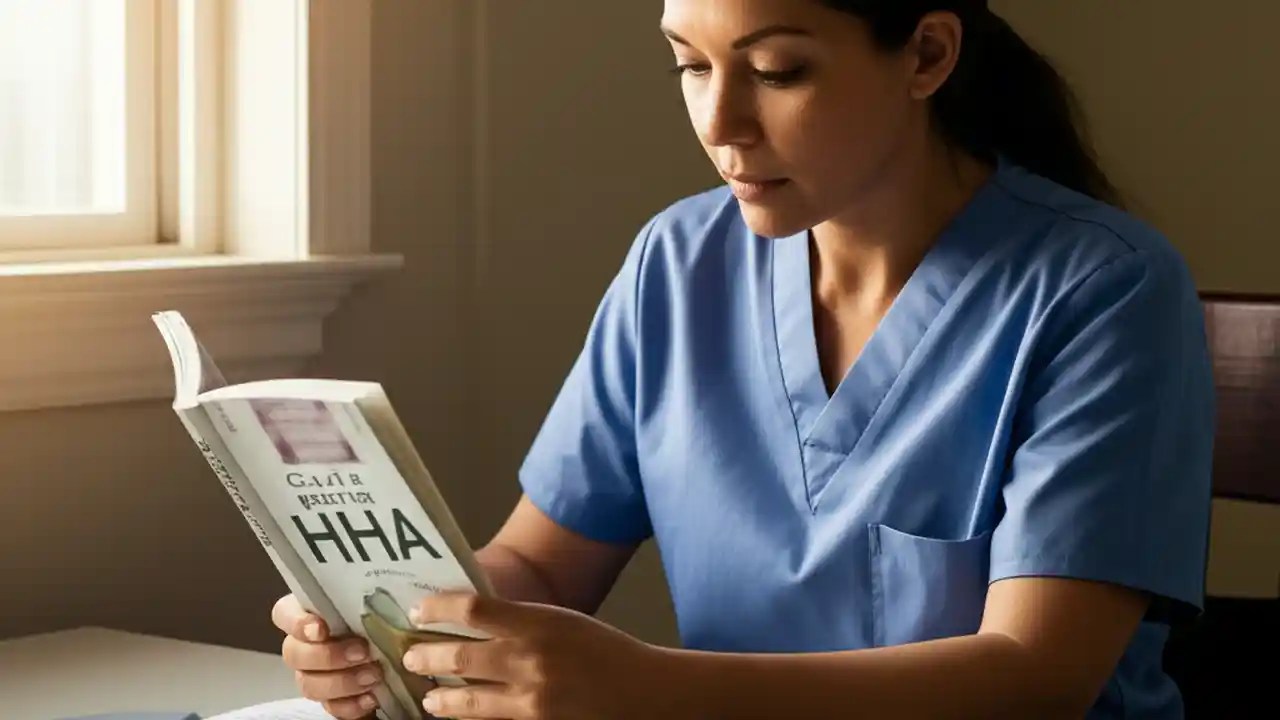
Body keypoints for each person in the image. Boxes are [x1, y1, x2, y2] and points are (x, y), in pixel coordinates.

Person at [272, 0, 1215, 717]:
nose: (721, 122)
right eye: (689, 65)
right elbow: (542, 566)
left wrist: (644, 692)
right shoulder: (677, 264)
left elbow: (1035, 678)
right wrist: (415, 633)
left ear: (926, 55)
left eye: (776, 69)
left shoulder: (1105, 290)